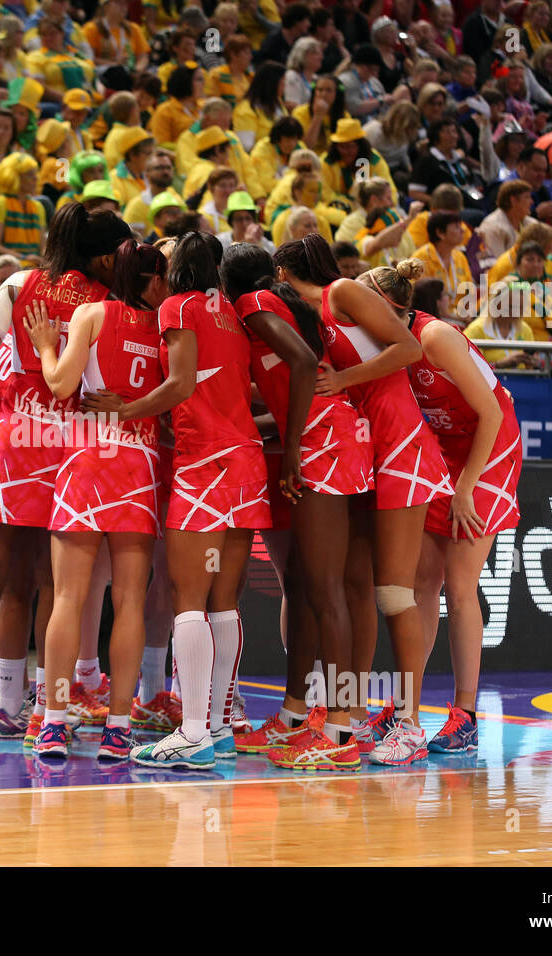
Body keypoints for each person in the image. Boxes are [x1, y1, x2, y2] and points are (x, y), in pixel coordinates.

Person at [0, 204, 130, 745]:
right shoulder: (107, 301)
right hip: (68, 446)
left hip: (15, 439)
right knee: (49, 585)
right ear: (104, 256)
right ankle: (40, 710)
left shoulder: (18, 283)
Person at [85, 232, 270, 770]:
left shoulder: (177, 306)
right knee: (223, 601)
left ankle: (191, 733)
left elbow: (183, 383)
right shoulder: (233, 312)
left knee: (187, 595)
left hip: (205, 464)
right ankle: (217, 726)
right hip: (246, 463)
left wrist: (126, 410)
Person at [223, 243, 376, 768]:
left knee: (327, 589)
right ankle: (295, 715)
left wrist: (290, 450)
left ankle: (337, 734)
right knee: (307, 580)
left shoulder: (253, 304)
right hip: (335, 433)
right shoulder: (285, 303)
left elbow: (307, 363)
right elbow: (294, 383)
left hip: (322, 442)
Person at [363, 257, 522, 754]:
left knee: (458, 581)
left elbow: (493, 412)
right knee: (420, 581)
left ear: (385, 307)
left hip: (489, 448)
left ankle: (466, 713)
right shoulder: (385, 344)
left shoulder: (436, 339)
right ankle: (405, 703)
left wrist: (466, 487)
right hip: (444, 450)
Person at [303, 244, 453, 764]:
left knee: (394, 594)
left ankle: (410, 724)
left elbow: (411, 349)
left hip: (403, 453)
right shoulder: (326, 324)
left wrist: (342, 380)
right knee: (356, 587)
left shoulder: (343, 299)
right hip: (370, 455)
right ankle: (354, 714)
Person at [22, 239, 171, 760]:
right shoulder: (167, 326)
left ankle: (55, 721)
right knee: (129, 600)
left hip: (87, 462)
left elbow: (61, 384)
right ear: (153, 280)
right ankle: (119, 727)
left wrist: (45, 343)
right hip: (139, 464)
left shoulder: (90, 314)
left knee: (68, 598)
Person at [0, 153, 46, 266]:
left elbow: (42, 246)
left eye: (35, 173)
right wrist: (24, 257)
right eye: (29, 174)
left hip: (33, 265)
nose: (35, 178)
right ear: (14, 177)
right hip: (8, 266)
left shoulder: (38, 206)